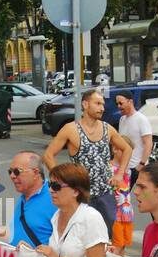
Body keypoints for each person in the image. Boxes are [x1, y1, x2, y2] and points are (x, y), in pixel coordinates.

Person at [43, 87, 133, 237]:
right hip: (82, 196)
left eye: (103, 104)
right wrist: (64, 181)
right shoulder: (70, 129)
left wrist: (120, 174)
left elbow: (127, 149)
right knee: (83, 238)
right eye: (97, 103)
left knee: (109, 237)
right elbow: (48, 155)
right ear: (85, 104)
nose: (102, 108)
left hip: (106, 194)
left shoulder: (107, 128)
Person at [115, 90, 152, 188]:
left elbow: (148, 143)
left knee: (144, 195)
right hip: (125, 166)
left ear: (130, 102)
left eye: (121, 103)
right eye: (117, 103)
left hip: (137, 166)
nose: (118, 106)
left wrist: (141, 164)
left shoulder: (141, 119)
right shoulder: (122, 119)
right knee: (122, 195)